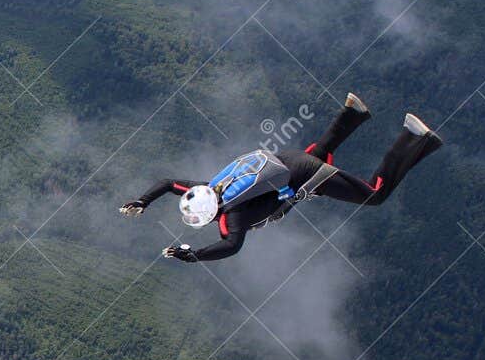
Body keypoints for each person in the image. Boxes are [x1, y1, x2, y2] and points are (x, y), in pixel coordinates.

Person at [120, 94, 445, 262]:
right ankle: (353, 113)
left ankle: (414, 137)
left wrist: (193, 256)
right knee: (318, 152)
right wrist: (142, 201)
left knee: (375, 195)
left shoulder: (232, 219)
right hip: (286, 159)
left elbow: (231, 247)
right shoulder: (208, 187)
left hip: (305, 175)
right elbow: (167, 183)